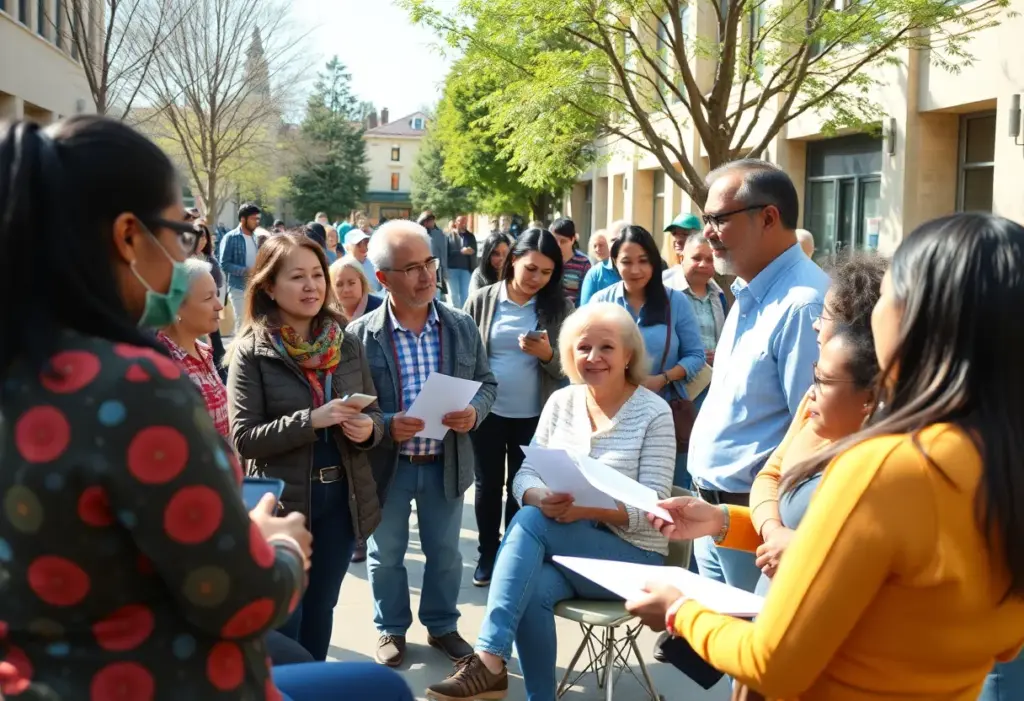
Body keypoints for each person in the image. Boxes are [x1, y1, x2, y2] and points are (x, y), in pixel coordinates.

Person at [0, 116, 413, 701]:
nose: (187, 255)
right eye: (179, 232)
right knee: (380, 691)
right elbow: (238, 598)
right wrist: (281, 545)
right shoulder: (132, 385)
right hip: (147, 677)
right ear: (127, 237)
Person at [629, 212, 1024, 700]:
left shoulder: (888, 464)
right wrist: (725, 522)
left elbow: (771, 663)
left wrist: (679, 610)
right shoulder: (996, 463)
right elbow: (1003, 643)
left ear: (916, 317)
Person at [425, 302, 676, 701]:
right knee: (533, 583)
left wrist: (586, 510)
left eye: (607, 348)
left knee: (530, 522)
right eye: (583, 347)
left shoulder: (653, 412)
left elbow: (658, 512)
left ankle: (489, 660)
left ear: (628, 354)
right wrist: (540, 495)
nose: (593, 358)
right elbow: (526, 475)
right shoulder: (562, 402)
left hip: (634, 559)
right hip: (569, 554)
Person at [346, 220, 498, 668]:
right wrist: (385, 424)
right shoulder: (359, 336)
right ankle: (391, 629)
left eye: (429, 262)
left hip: (444, 462)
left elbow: (486, 383)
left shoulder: (460, 326)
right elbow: (349, 408)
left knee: (446, 554)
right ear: (383, 279)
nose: (426, 275)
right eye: (411, 267)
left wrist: (475, 412)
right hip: (386, 467)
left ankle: (442, 626)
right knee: (385, 555)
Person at [227, 233, 385, 661]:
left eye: (317, 274)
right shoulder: (251, 351)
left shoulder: (345, 340)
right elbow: (244, 437)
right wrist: (311, 421)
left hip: (341, 501)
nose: (312, 285)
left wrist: (366, 429)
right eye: (297, 277)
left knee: (321, 609)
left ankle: (315, 684)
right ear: (269, 287)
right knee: (285, 617)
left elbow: (378, 417)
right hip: (284, 505)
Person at [686, 159, 829, 593]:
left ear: (768, 217)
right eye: (705, 219)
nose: (707, 232)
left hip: (757, 523)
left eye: (719, 219)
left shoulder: (803, 305)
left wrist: (774, 523)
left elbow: (812, 435)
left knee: (749, 652)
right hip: (714, 512)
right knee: (717, 650)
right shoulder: (749, 290)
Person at [462, 228, 575, 587]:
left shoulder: (560, 308)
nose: (537, 279)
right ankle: (486, 553)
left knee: (522, 486)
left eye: (546, 273)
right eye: (531, 269)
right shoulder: (482, 300)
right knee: (487, 484)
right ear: (512, 261)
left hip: (536, 416)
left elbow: (570, 368)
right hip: (487, 412)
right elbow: (463, 354)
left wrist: (548, 356)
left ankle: (513, 553)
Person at [591, 225, 706, 489]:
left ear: (655, 263)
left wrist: (663, 379)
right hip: (612, 415)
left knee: (664, 493)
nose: (635, 270)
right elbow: (584, 350)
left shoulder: (675, 302)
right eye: (626, 262)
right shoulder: (601, 302)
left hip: (663, 411)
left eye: (643, 261)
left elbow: (696, 355)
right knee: (613, 491)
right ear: (614, 263)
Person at [157, 258, 230, 439]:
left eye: (216, 295)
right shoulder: (165, 364)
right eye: (208, 298)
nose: (219, 306)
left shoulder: (202, 350)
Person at [663, 228, 728, 379]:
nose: (703, 264)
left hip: (710, 382)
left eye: (710, 259)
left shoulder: (719, 296)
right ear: (682, 258)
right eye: (696, 258)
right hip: (671, 381)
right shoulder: (665, 291)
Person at [219, 202, 262, 333]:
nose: (257, 222)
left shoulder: (256, 237)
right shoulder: (231, 237)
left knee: (254, 323)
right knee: (242, 323)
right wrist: (246, 270)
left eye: (258, 218)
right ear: (243, 219)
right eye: (253, 218)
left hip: (254, 287)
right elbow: (224, 264)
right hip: (238, 287)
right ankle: (238, 352)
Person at [192, 219, 227, 374]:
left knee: (216, 344)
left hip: (210, 308)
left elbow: (219, 283)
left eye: (205, 237)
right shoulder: (182, 260)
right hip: (194, 311)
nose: (202, 241)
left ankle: (221, 372)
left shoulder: (211, 260)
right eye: (199, 237)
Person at [579, 219, 629, 304]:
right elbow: (585, 312)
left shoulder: (643, 271)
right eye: (613, 240)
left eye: (623, 239)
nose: (618, 244)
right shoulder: (595, 274)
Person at [550, 217, 591, 308]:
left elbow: (584, 294)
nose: (558, 245)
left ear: (573, 240)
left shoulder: (584, 263)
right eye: (555, 240)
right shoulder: (546, 259)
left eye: (563, 241)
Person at [330, 256, 384, 322]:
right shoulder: (329, 316)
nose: (346, 290)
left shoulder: (382, 309)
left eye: (351, 283)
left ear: (362, 282)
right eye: (339, 285)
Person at [446, 215, 477, 308]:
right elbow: (446, 252)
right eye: (461, 221)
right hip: (451, 269)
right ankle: (455, 315)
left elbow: (474, 249)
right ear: (456, 223)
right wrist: (460, 252)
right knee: (454, 295)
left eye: (465, 221)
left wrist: (471, 251)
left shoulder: (470, 236)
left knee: (465, 295)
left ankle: (464, 316)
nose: (463, 223)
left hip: (466, 269)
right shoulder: (449, 236)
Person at [417, 210, 450, 299]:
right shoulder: (417, 233)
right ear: (424, 221)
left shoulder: (438, 234)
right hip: (419, 267)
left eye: (433, 220)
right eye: (430, 220)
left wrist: (444, 271)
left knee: (435, 294)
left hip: (435, 268)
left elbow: (443, 253)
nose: (432, 223)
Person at [469, 231, 512, 296]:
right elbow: (475, 302)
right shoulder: (479, 275)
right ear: (488, 255)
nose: (501, 258)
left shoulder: (513, 273)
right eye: (496, 254)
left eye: (505, 253)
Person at [344, 228, 382, 293]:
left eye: (365, 242)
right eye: (358, 244)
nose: (363, 247)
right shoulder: (343, 267)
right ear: (347, 248)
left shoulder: (375, 262)